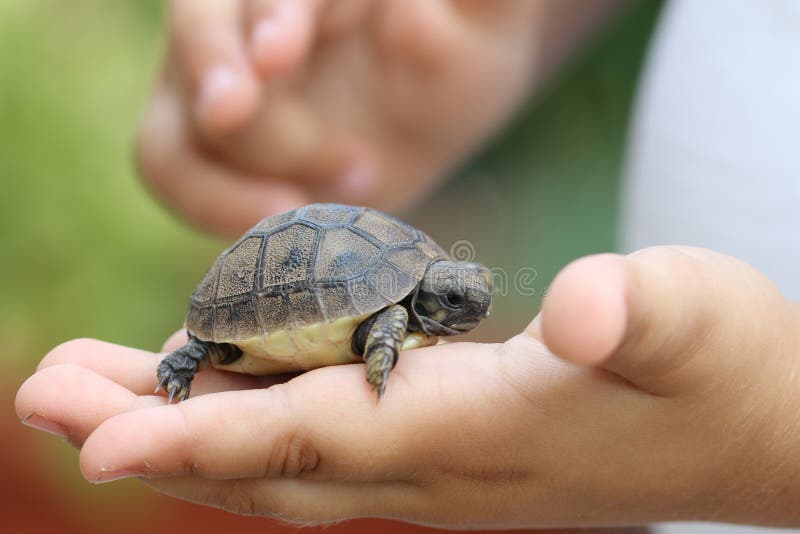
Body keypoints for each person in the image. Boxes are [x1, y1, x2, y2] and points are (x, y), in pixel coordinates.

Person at [15, 0, 800, 530]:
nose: (467, 308)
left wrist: (766, 437)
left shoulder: (403, 309)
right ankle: (194, 353)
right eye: (456, 296)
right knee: (212, 351)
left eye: (465, 300)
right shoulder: (399, 300)